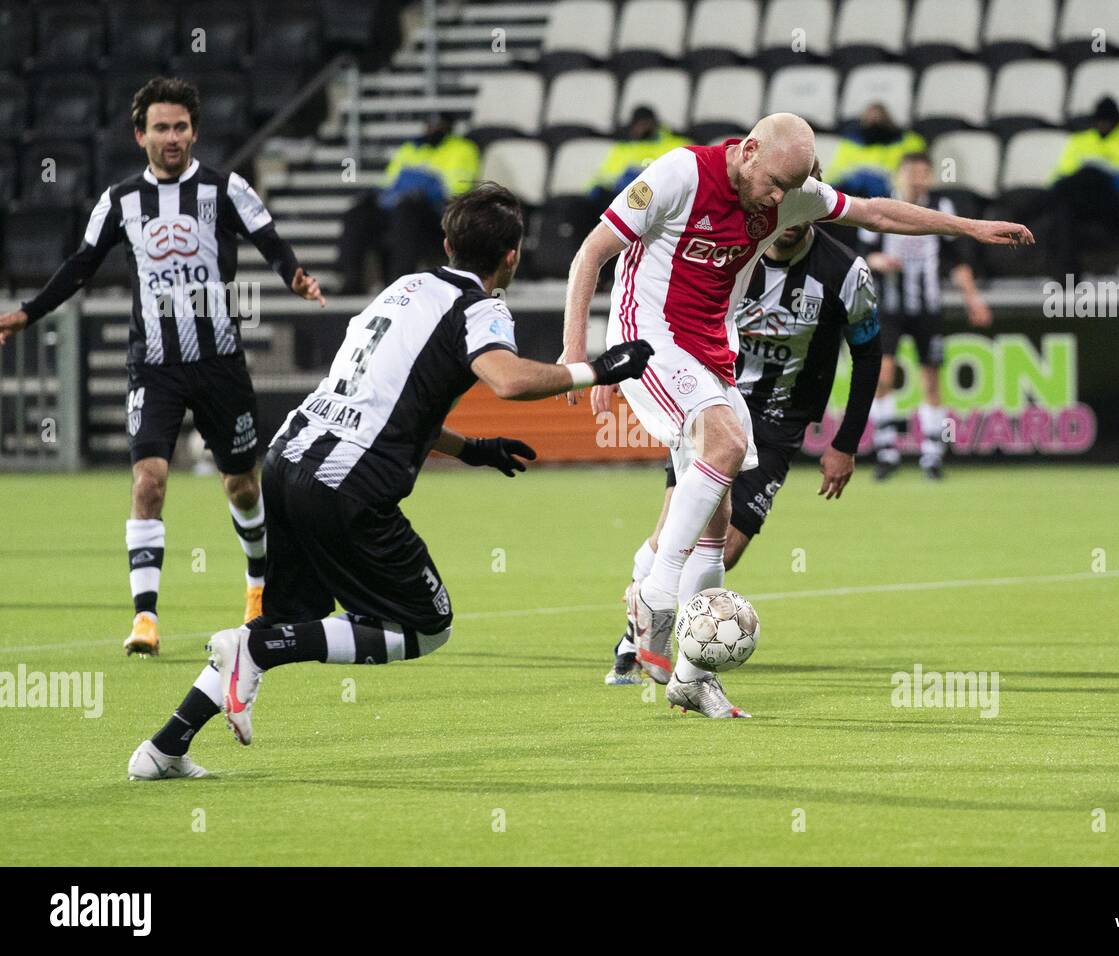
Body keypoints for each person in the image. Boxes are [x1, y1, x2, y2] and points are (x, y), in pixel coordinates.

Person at [126, 183, 654, 780]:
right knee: (427, 625)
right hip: (346, 486)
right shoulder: (481, 308)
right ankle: (261, 651)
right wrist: (594, 369)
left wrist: (470, 448)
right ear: (513, 256)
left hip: (287, 460)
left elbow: (387, 396)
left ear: (447, 243)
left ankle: (164, 747)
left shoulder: (401, 289)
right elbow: (505, 379)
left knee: (286, 616)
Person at [560, 112, 1033, 718]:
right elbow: (591, 254)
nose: (781, 201)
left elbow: (879, 213)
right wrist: (578, 355)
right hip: (649, 333)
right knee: (726, 444)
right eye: (776, 184)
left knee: (717, 519)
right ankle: (653, 597)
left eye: (794, 188)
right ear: (749, 150)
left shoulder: (786, 195)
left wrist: (967, 226)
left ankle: (690, 675)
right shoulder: (680, 173)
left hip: (712, 350)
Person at [0, 77, 326, 656]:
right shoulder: (121, 201)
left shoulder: (225, 188)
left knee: (243, 486)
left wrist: (295, 277)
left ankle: (257, 589)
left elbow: (268, 238)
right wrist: (28, 313)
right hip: (152, 365)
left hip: (220, 361)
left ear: (194, 131)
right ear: (140, 135)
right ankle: (145, 619)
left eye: (180, 127)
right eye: (161, 128)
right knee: (149, 480)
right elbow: (81, 265)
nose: (172, 137)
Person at [599, 201, 883, 686]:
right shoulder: (728, 255)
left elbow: (868, 352)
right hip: (712, 399)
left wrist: (846, 441)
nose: (789, 226)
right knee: (677, 525)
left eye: (800, 214)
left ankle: (652, 631)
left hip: (778, 420)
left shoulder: (846, 272)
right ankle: (654, 647)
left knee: (725, 547)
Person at [864, 152, 992, 481]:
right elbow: (863, 253)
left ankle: (932, 455)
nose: (918, 179)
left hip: (928, 309)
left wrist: (972, 300)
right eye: (911, 172)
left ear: (931, 176)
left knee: (931, 379)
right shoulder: (881, 205)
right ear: (899, 175)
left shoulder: (942, 209)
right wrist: (877, 262)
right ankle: (887, 451)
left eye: (924, 173)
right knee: (883, 376)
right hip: (889, 307)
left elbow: (956, 259)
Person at [336, 116, 481, 293]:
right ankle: (351, 278)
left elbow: (459, 188)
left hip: (436, 213)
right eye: (430, 124)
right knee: (358, 213)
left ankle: (398, 281)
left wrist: (424, 191)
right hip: (397, 208)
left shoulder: (463, 149)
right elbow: (388, 184)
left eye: (438, 124)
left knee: (407, 211)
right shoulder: (409, 149)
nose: (432, 128)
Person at [1033, 96, 1119, 278]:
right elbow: (1059, 177)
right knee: (1066, 207)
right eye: (1099, 121)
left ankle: (1027, 213)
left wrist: (1113, 177)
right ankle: (1068, 277)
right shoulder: (1080, 141)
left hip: (1117, 203)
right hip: (1081, 204)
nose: (1103, 125)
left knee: (1091, 176)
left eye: (1107, 122)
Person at [588, 106, 691, 208]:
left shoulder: (678, 145)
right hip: (619, 199)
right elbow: (603, 176)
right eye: (637, 125)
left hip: (660, 200)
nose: (641, 128)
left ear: (655, 124)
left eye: (645, 124)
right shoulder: (623, 148)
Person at [824, 103, 928, 199]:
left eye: (879, 117)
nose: (875, 120)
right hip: (851, 192)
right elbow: (836, 172)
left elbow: (919, 171)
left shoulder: (910, 141)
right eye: (871, 117)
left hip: (892, 193)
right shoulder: (851, 141)